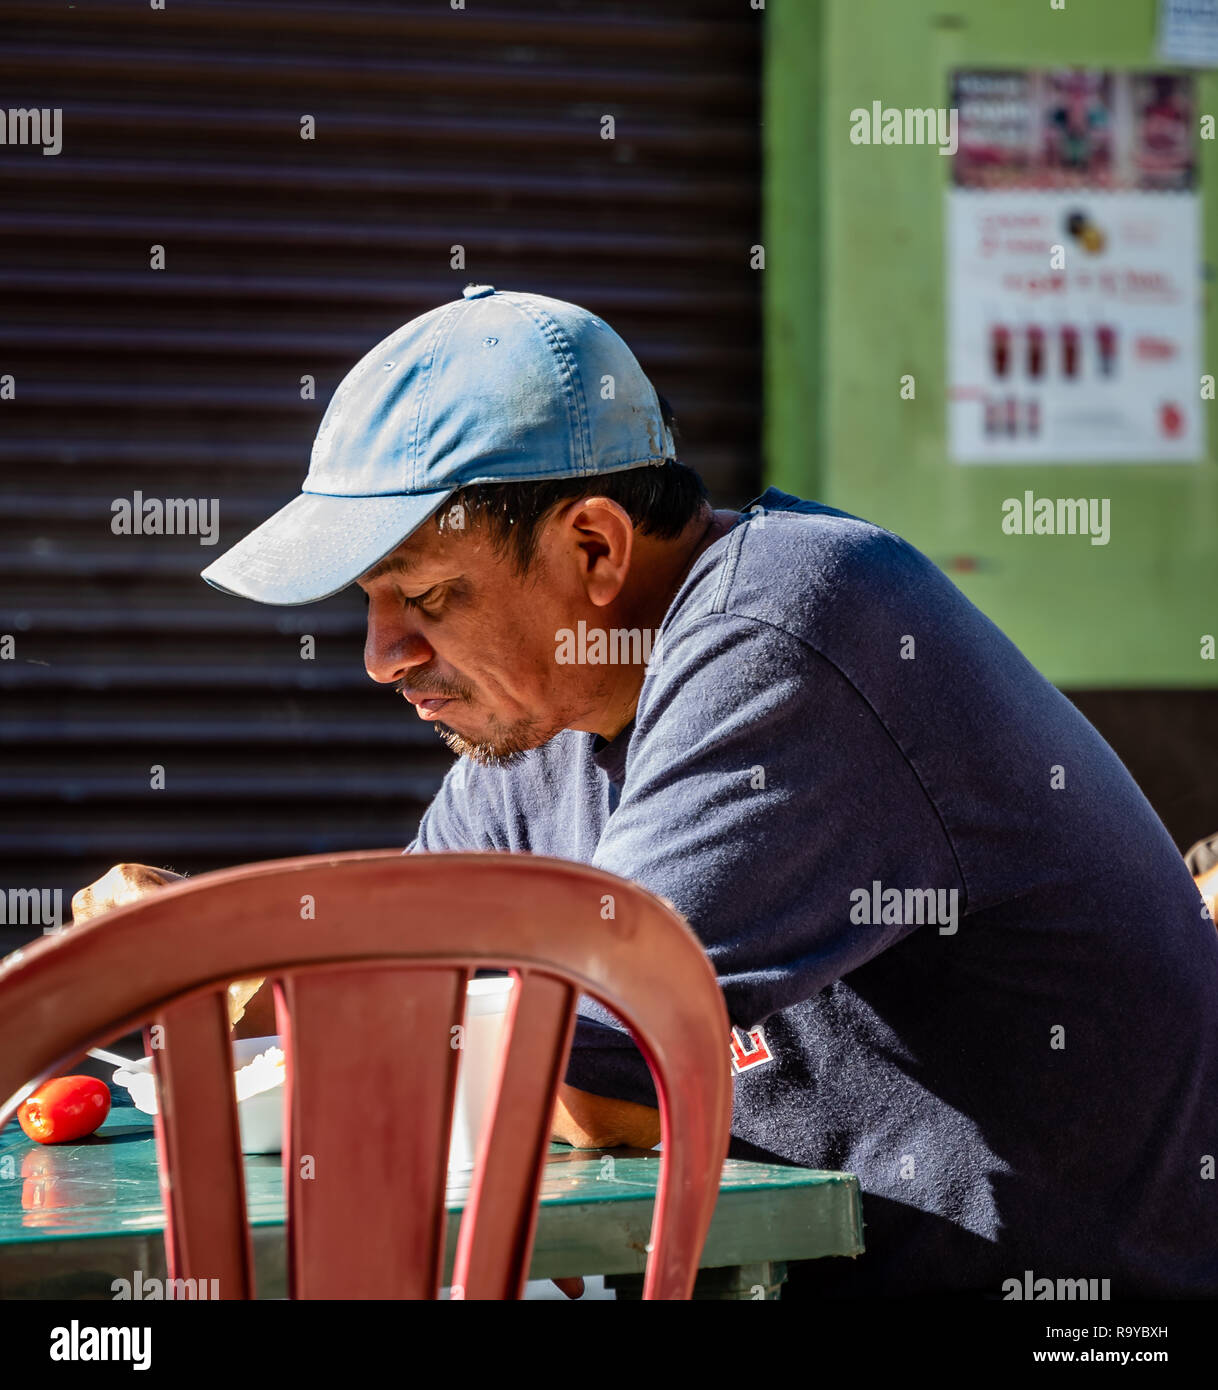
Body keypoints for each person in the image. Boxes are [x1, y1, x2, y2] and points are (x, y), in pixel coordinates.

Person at [72, 286, 1218, 1298]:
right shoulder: (537, 739)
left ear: (596, 551)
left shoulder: (790, 625)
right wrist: (217, 944)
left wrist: (242, 969)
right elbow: (424, 998)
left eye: (424, 597)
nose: (380, 656)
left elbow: (568, 1046)